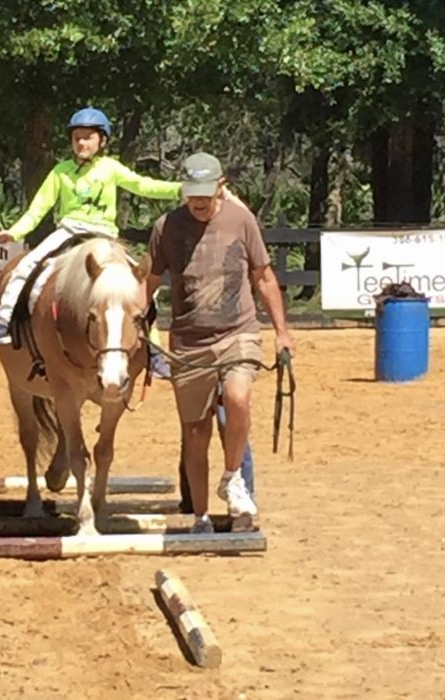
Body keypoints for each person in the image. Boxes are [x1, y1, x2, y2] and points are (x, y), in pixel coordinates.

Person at [146, 152, 295, 533]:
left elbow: (263, 277)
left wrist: (282, 332)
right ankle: (200, 516)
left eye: (205, 192)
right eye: (191, 192)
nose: (198, 201)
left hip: (237, 331)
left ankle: (232, 477)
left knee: (237, 397)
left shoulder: (241, 220)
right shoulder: (166, 228)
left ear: (220, 186)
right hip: (189, 341)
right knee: (196, 433)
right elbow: (150, 281)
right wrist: (135, 322)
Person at [0, 106, 183, 346]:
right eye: (77, 138)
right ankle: (3, 323)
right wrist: (15, 232)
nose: (82, 143)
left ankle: (152, 347)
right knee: (25, 266)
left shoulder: (111, 168)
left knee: (143, 284)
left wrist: (179, 190)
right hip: (69, 231)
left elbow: (143, 185)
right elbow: (38, 208)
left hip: (104, 234)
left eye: (88, 137)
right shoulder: (60, 171)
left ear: (102, 141)